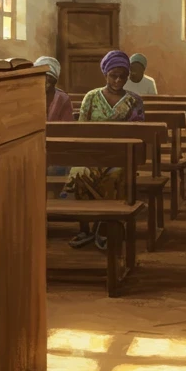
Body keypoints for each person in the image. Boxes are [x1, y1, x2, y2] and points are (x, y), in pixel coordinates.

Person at [67, 50, 146, 250]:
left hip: (121, 157)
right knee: (80, 174)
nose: (118, 80)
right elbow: (81, 129)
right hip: (93, 154)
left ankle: (106, 226)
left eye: (123, 76)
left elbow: (138, 134)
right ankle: (85, 228)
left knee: (115, 176)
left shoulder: (134, 101)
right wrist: (91, 152)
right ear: (105, 74)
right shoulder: (92, 97)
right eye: (114, 75)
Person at [36, 56, 75, 122]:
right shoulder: (28, 95)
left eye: (49, 77)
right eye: (41, 76)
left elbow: (67, 127)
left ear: (55, 80)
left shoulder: (63, 99)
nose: (44, 80)